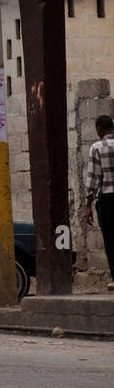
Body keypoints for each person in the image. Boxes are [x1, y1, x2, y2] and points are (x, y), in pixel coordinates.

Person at [84, 114, 114, 291]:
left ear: (99, 129)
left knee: (111, 238)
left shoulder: (97, 147)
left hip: (108, 199)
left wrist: (88, 205)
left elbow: (93, 179)